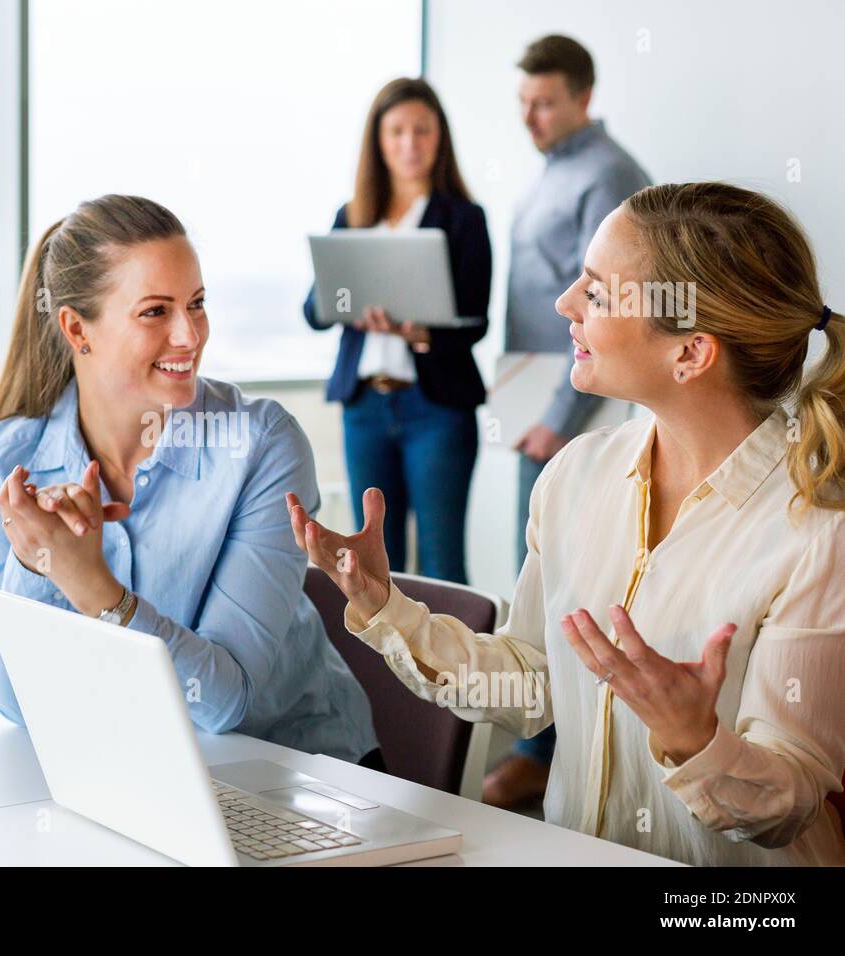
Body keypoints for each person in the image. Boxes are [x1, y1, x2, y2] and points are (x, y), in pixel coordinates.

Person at [288, 182, 845, 866]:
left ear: (691, 353)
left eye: (598, 293)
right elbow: (529, 684)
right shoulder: (575, 476)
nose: (564, 305)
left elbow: (790, 802)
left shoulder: (817, 527)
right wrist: (385, 609)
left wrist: (697, 741)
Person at [0, 193, 378, 764]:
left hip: (299, 774)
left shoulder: (261, 448)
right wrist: (38, 557)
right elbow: (13, 701)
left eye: (197, 304)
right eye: (155, 312)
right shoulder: (9, 462)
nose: (189, 336)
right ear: (76, 329)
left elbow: (223, 702)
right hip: (146, 769)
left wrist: (93, 588)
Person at [493, 35, 651, 808]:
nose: (532, 117)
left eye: (546, 102)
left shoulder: (611, 176)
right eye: (523, 102)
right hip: (533, 397)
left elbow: (611, 311)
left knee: (570, 587)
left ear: (584, 98)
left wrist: (558, 418)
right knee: (540, 581)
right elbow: (538, 303)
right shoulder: (548, 173)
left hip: (573, 404)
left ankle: (541, 753)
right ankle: (542, 745)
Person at [303, 77, 491, 583]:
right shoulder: (353, 215)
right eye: (397, 132)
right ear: (379, 141)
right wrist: (349, 305)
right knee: (373, 562)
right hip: (364, 408)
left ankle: (450, 666)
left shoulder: (464, 219)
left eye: (422, 131)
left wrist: (418, 332)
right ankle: (380, 666)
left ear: (439, 138)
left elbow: (476, 319)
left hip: (436, 411)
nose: (410, 144)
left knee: (440, 561)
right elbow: (314, 311)